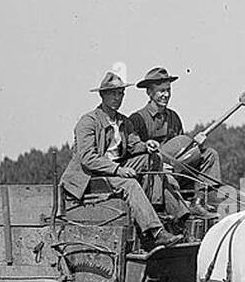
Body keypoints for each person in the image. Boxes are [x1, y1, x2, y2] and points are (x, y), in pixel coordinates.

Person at [59, 72, 183, 248]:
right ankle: (156, 231)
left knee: (153, 158)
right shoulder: (88, 121)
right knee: (130, 184)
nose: (118, 98)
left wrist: (147, 145)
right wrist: (118, 170)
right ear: (102, 95)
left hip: (115, 171)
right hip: (92, 177)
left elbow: (134, 145)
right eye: (113, 93)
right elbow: (88, 158)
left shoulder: (123, 121)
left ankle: (160, 210)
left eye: (121, 94)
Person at [124, 67, 222, 214]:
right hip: (153, 177)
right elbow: (133, 152)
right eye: (161, 91)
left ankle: (199, 201)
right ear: (149, 92)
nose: (166, 95)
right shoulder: (137, 119)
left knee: (210, 154)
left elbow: (182, 148)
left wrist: (195, 145)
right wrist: (159, 164)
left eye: (168, 90)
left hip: (176, 170)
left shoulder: (173, 117)